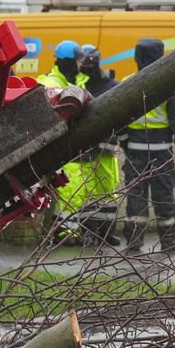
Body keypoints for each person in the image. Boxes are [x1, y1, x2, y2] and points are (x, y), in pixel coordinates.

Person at [121, 38, 175, 254]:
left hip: (135, 151)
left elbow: (119, 120)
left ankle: (134, 241)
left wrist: (124, 143)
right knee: (164, 197)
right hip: (162, 153)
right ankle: (169, 243)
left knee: (136, 197)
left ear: (136, 58)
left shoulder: (127, 83)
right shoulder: (167, 85)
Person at [39, 40, 91, 242]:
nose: (80, 65)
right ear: (70, 61)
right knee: (69, 191)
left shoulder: (74, 81)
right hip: (60, 143)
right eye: (78, 60)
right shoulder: (52, 82)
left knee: (73, 191)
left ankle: (67, 231)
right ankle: (64, 233)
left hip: (71, 143)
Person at [78, 44, 122, 246]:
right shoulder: (80, 85)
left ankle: (106, 233)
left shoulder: (111, 86)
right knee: (87, 192)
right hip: (85, 149)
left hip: (106, 148)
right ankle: (89, 232)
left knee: (107, 193)